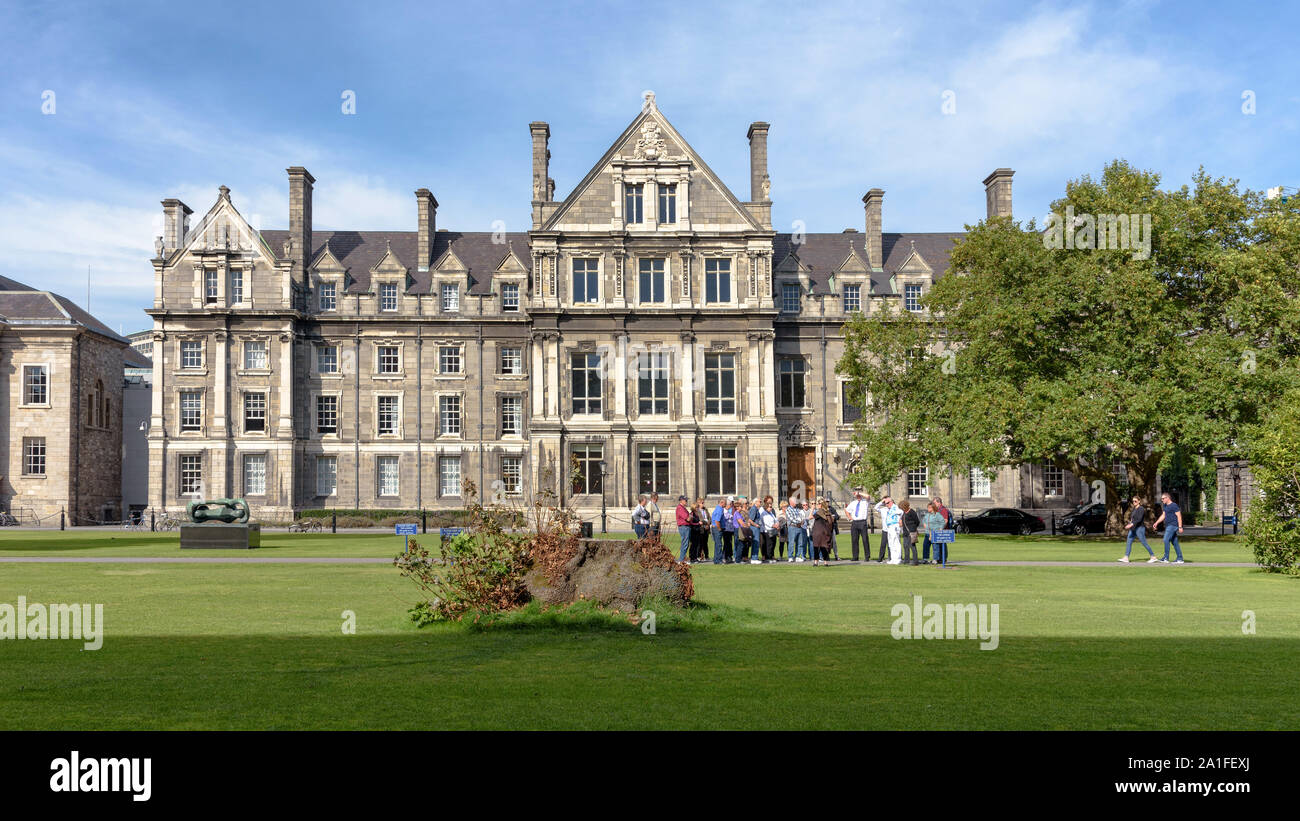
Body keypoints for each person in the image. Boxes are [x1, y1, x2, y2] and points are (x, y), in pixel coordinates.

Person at [1119, 496, 1157, 563]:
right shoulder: (1134, 509)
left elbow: (1139, 519)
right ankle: (1126, 557)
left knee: (1144, 543)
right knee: (1129, 542)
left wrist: (1131, 524)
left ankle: (1153, 556)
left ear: (1139, 501)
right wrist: (1130, 524)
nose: (1134, 502)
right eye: (1133, 501)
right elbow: (1132, 519)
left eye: (1135, 501)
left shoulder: (1141, 509)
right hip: (1133, 528)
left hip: (1139, 528)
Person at [1152, 491, 1185, 564]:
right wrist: (1156, 523)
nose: (1162, 500)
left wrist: (1180, 527)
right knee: (1175, 542)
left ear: (1167, 498)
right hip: (1168, 526)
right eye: (1162, 499)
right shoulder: (1165, 506)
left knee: (1166, 539)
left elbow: (1179, 516)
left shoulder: (1174, 505)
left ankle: (1166, 558)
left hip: (1173, 525)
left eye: (1163, 499)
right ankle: (1180, 558)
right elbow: (1163, 515)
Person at [846, 489, 874, 561]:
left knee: (865, 539)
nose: (858, 497)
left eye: (859, 496)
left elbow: (868, 496)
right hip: (855, 522)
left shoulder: (865, 502)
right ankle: (855, 556)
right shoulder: (853, 503)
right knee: (854, 540)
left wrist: (859, 493)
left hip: (862, 522)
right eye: (857, 496)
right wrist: (849, 517)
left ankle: (867, 556)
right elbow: (846, 510)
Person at [875, 496, 902, 564]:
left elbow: (901, 512)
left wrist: (900, 520)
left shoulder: (895, 507)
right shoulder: (885, 509)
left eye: (887, 503)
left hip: (894, 526)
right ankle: (893, 559)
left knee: (896, 542)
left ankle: (898, 559)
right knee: (891, 543)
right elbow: (876, 507)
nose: (886, 504)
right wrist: (882, 501)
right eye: (885, 503)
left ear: (891, 502)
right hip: (888, 527)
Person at [900, 500, 921, 565]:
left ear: (905, 506)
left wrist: (913, 528)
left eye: (902, 507)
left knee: (912, 546)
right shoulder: (904, 513)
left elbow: (917, 521)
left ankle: (915, 561)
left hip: (911, 532)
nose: (902, 509)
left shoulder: (912, 512)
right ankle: (906, 560)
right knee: (905, 546)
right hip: (905, 532)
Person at [711, 497, 731, 564]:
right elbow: (717, 520)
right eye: (725, 502)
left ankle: (716, 559)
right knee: (719, 544)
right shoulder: (719, 509)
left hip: (716, 528)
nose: (726, 504)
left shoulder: (719, 508)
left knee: (717, 544)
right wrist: (719, 528)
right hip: (717, 528)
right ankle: (718, 560)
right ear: (721, 502)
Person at [759, 496, 778, 562]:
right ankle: (767, 557)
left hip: (772, 530)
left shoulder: (771, 513)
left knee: (772, 544)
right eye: (769, 506)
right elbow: (766, 522)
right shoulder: (763, 512)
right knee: (766, 544)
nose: (771, 507)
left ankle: (770, 556)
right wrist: (773, 525)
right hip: (766, 530)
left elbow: (775, 519)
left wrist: (777, 524)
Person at [674, 495, 692, 562]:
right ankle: (681, 560)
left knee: (685, 543)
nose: (686, 501)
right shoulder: (680, 508)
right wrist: (691, 516)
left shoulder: (683, 508)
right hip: (684, 527)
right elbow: (687, 518)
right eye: (685, 500)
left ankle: (682, 559)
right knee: (685, 544)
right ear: (681, 500)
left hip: (686, 527)